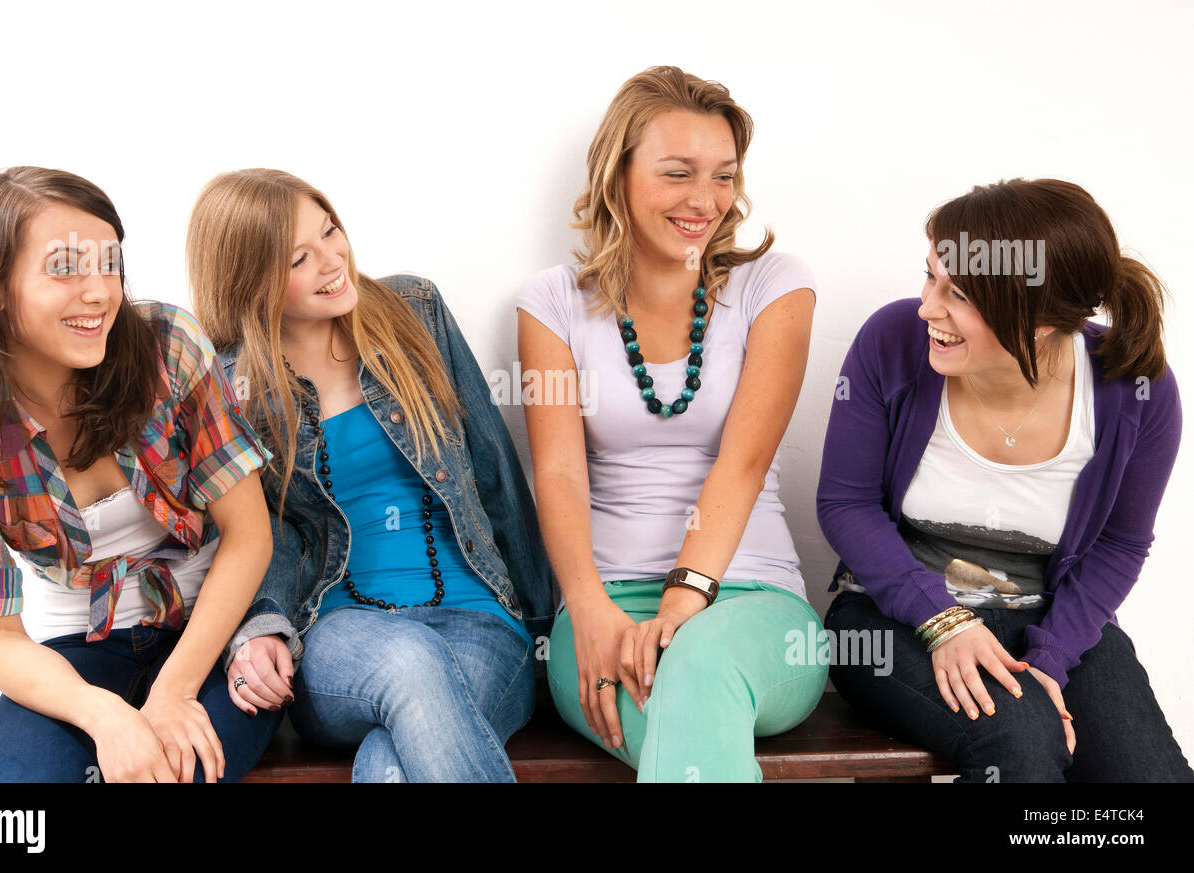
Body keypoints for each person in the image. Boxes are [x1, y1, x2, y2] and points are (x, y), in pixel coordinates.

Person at [0, 166, 279, 782]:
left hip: (208, 636)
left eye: (109, 263)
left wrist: (173, 694)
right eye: (64, 267)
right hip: (72, 653)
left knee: (176, 772)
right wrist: (105, 717)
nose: (100, 291)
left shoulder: (168, 346)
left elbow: (249, 536)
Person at [817, 178, 1192, 782]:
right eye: (931, 277)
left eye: (958, 293)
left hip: (1053, 619)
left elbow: (1121, 545)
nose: (927, 308)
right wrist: (945, 623)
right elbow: (846, 503)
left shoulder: (1135, 389)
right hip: (893, 620)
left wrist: (1052, 657)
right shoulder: (891, 342)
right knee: (1020, 741)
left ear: (1041, 319)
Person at [187, 168, 554, 782]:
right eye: (301, 257)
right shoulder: (232, 388)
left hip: (480, 624)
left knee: (388, 764)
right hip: (339, 635)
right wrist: (260, 628)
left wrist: (545, 626)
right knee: (411, 659)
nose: (333, 260)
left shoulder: (414, 311)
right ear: (250, 283)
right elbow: (256, 537)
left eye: (330, 231)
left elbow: (495, 470)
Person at [517, 66, 827, 782]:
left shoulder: (775, 286)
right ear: (616, 175)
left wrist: (685, 602)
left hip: (754, 602)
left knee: (699, 667)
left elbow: (742, 463)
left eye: (723, 176)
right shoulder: (554, 301)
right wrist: (588, 608)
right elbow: (558, 470)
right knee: (688, 737)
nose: (706, 200)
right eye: (678, 173)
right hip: (605, 608)